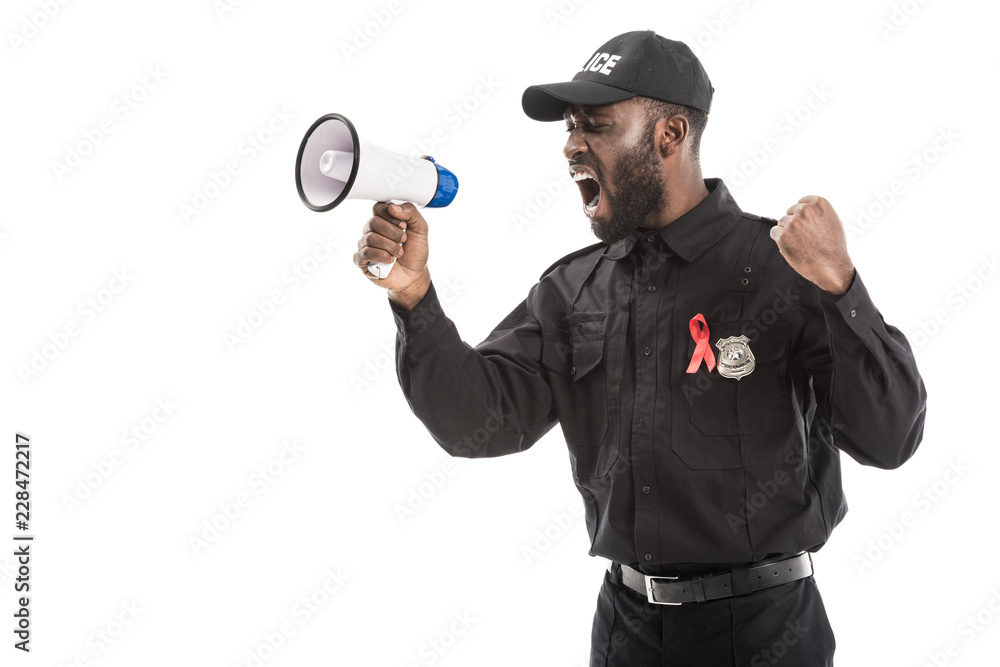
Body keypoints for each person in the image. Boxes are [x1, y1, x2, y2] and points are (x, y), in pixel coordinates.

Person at [353, 30, 927, 667]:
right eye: (570, 127)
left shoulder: (784, 265)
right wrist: (414, 297)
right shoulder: (572, 289)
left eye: (596, 125)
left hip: (763, 634)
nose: (572, 144)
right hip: (624, 633)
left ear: (670, 134)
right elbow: (476, 423)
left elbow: (890, 438)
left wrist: (842, 285)